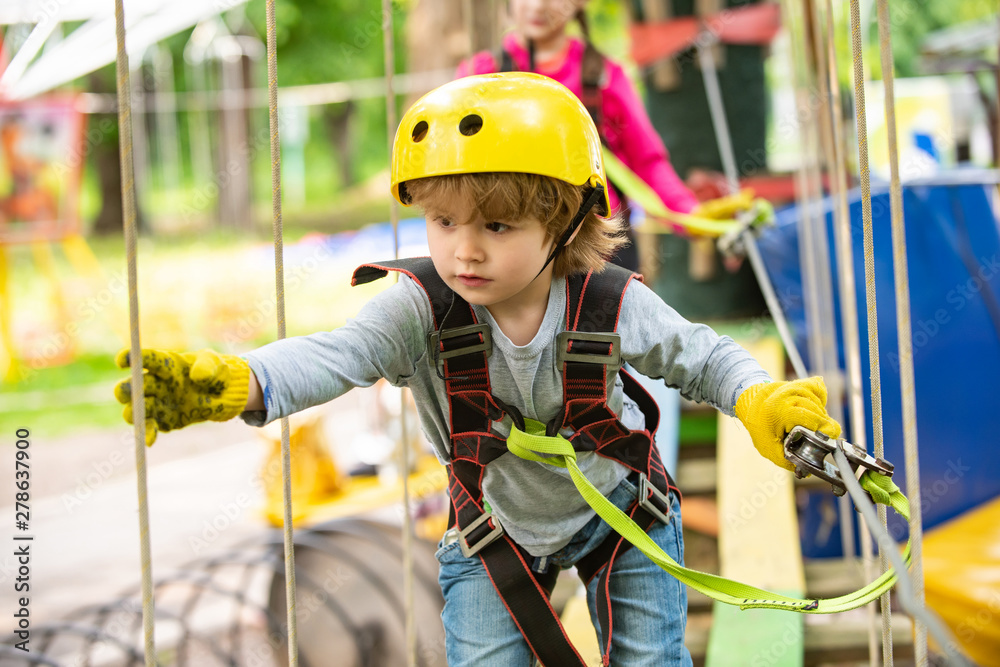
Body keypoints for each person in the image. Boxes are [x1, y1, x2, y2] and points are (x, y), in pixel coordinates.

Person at [114, 73, 841, 666]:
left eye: (497, 226)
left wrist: (760, 400)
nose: (465, 251)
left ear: (568, 220)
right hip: (494, 528)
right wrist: (240, 381)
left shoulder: (609, 302)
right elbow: (334, 355)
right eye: (443, 222)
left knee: (650, 661)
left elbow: (705, 357)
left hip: (624, 517)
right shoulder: (417, 308)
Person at [457, 0, 700, 272]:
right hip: (508, 244)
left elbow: (646, 161)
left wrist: (690, 215)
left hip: (599, 246)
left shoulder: (604, 76)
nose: (537, 6)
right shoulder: (480, 75)